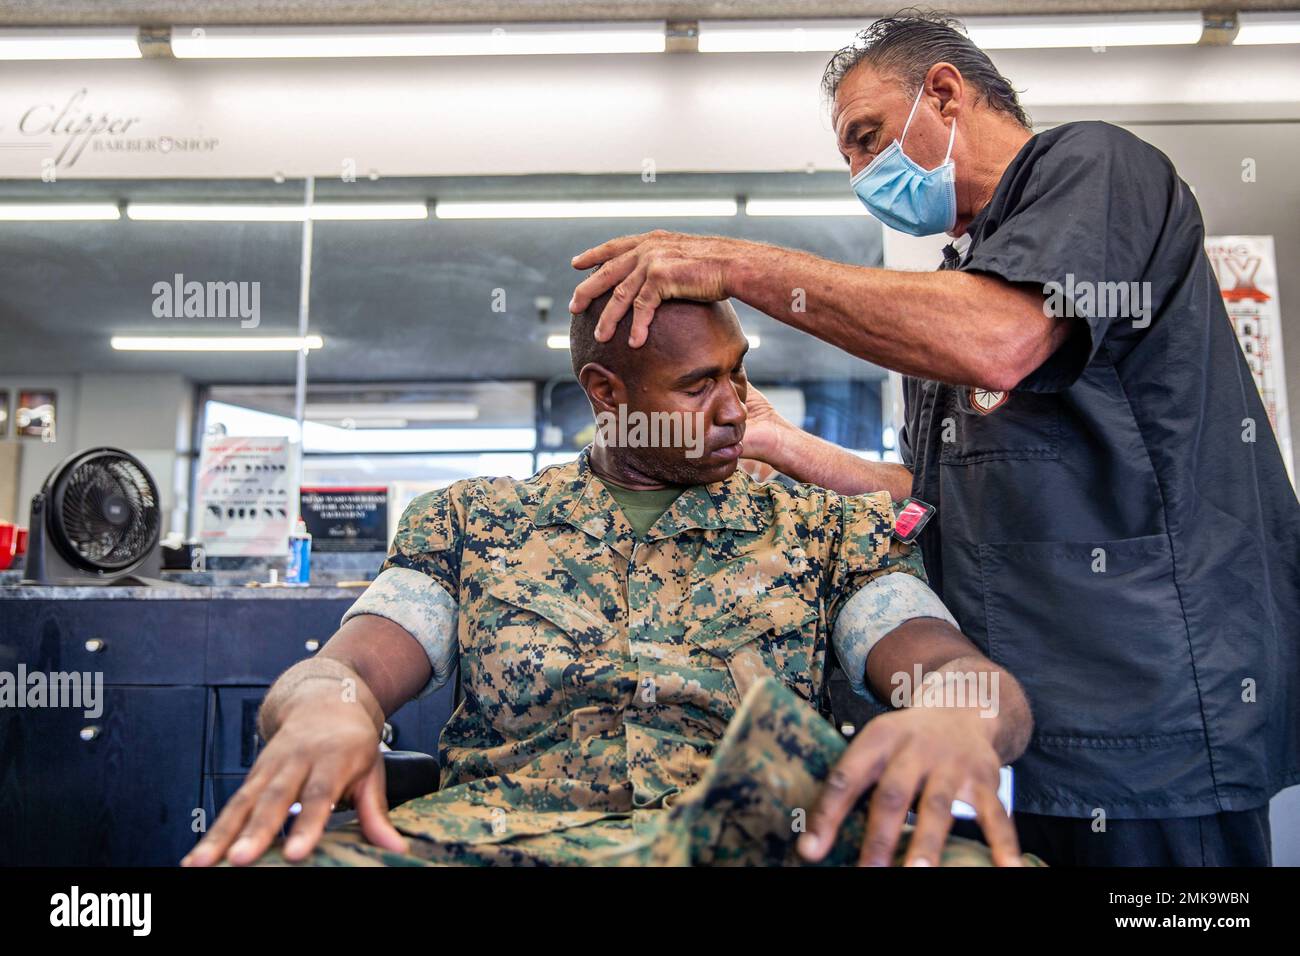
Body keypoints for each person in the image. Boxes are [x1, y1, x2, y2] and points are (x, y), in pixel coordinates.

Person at [566, 11, 1300, 866]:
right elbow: (926, 501)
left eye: (868, 137)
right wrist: (776, 441)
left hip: (1150, 709)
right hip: (1026, 730)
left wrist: (735, 265)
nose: (862, 173)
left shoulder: (1093, 167)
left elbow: (1002, 339)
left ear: (944, 94)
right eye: (848, 156)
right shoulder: (965, 279)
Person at [181, 289, 1039, 868]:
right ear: (605, 391)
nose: (738, 407)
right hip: (505, 842)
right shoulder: (471, 523)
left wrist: (957, 716)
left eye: (738, 372)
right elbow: (351, 669)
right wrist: (323, 713)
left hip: (756, 841)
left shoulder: (825, 530)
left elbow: (944, 662)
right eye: (699, 384)